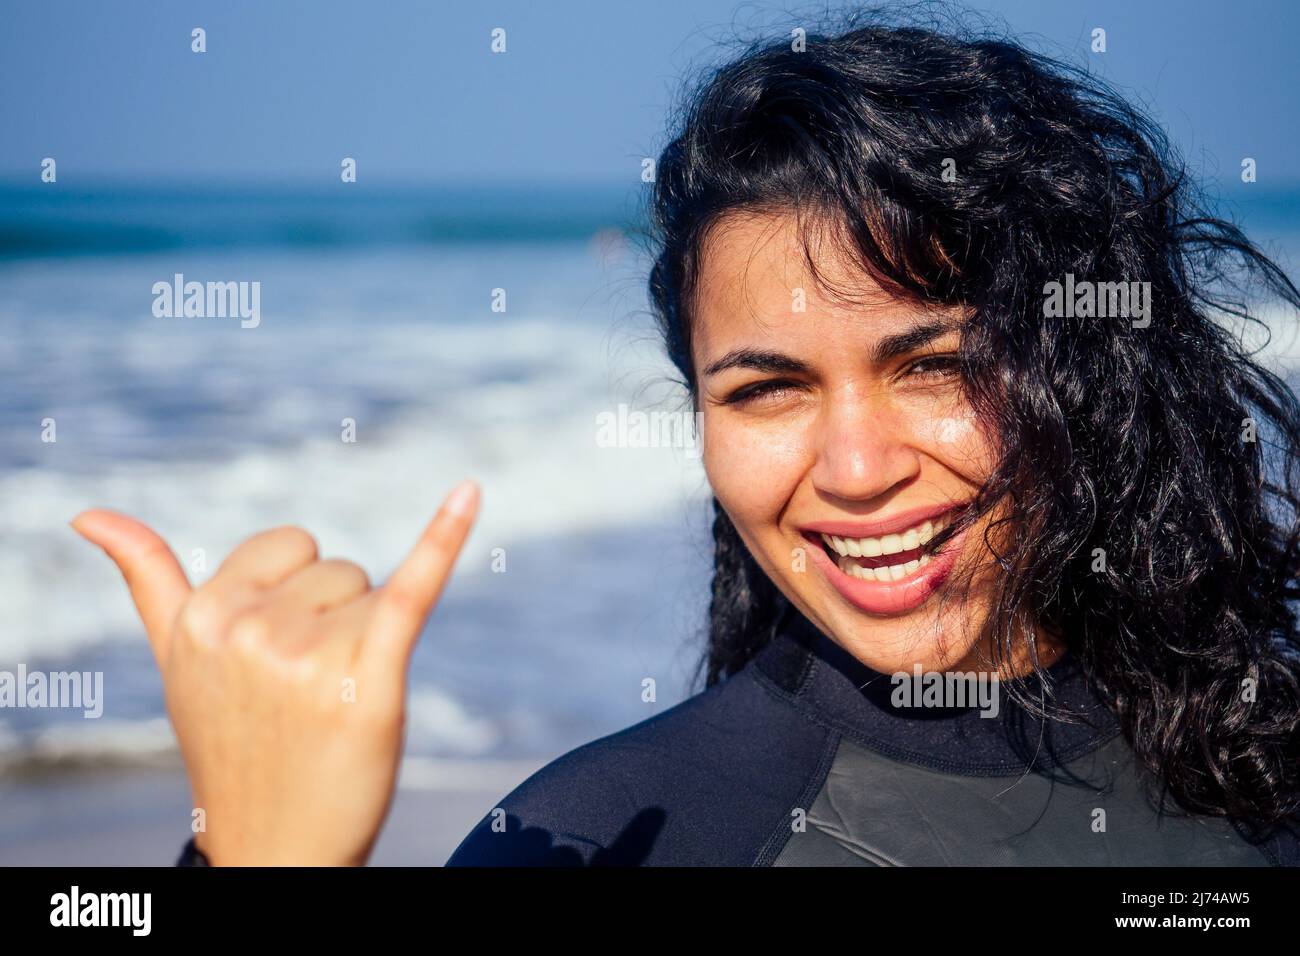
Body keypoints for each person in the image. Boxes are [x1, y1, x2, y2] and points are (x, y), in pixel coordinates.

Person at [73, 14, 1300, 866]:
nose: (857, 469)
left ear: (1083, 360)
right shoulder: (601, 836)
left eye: (934, 365)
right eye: (767, 390)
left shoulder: (1267, 748)